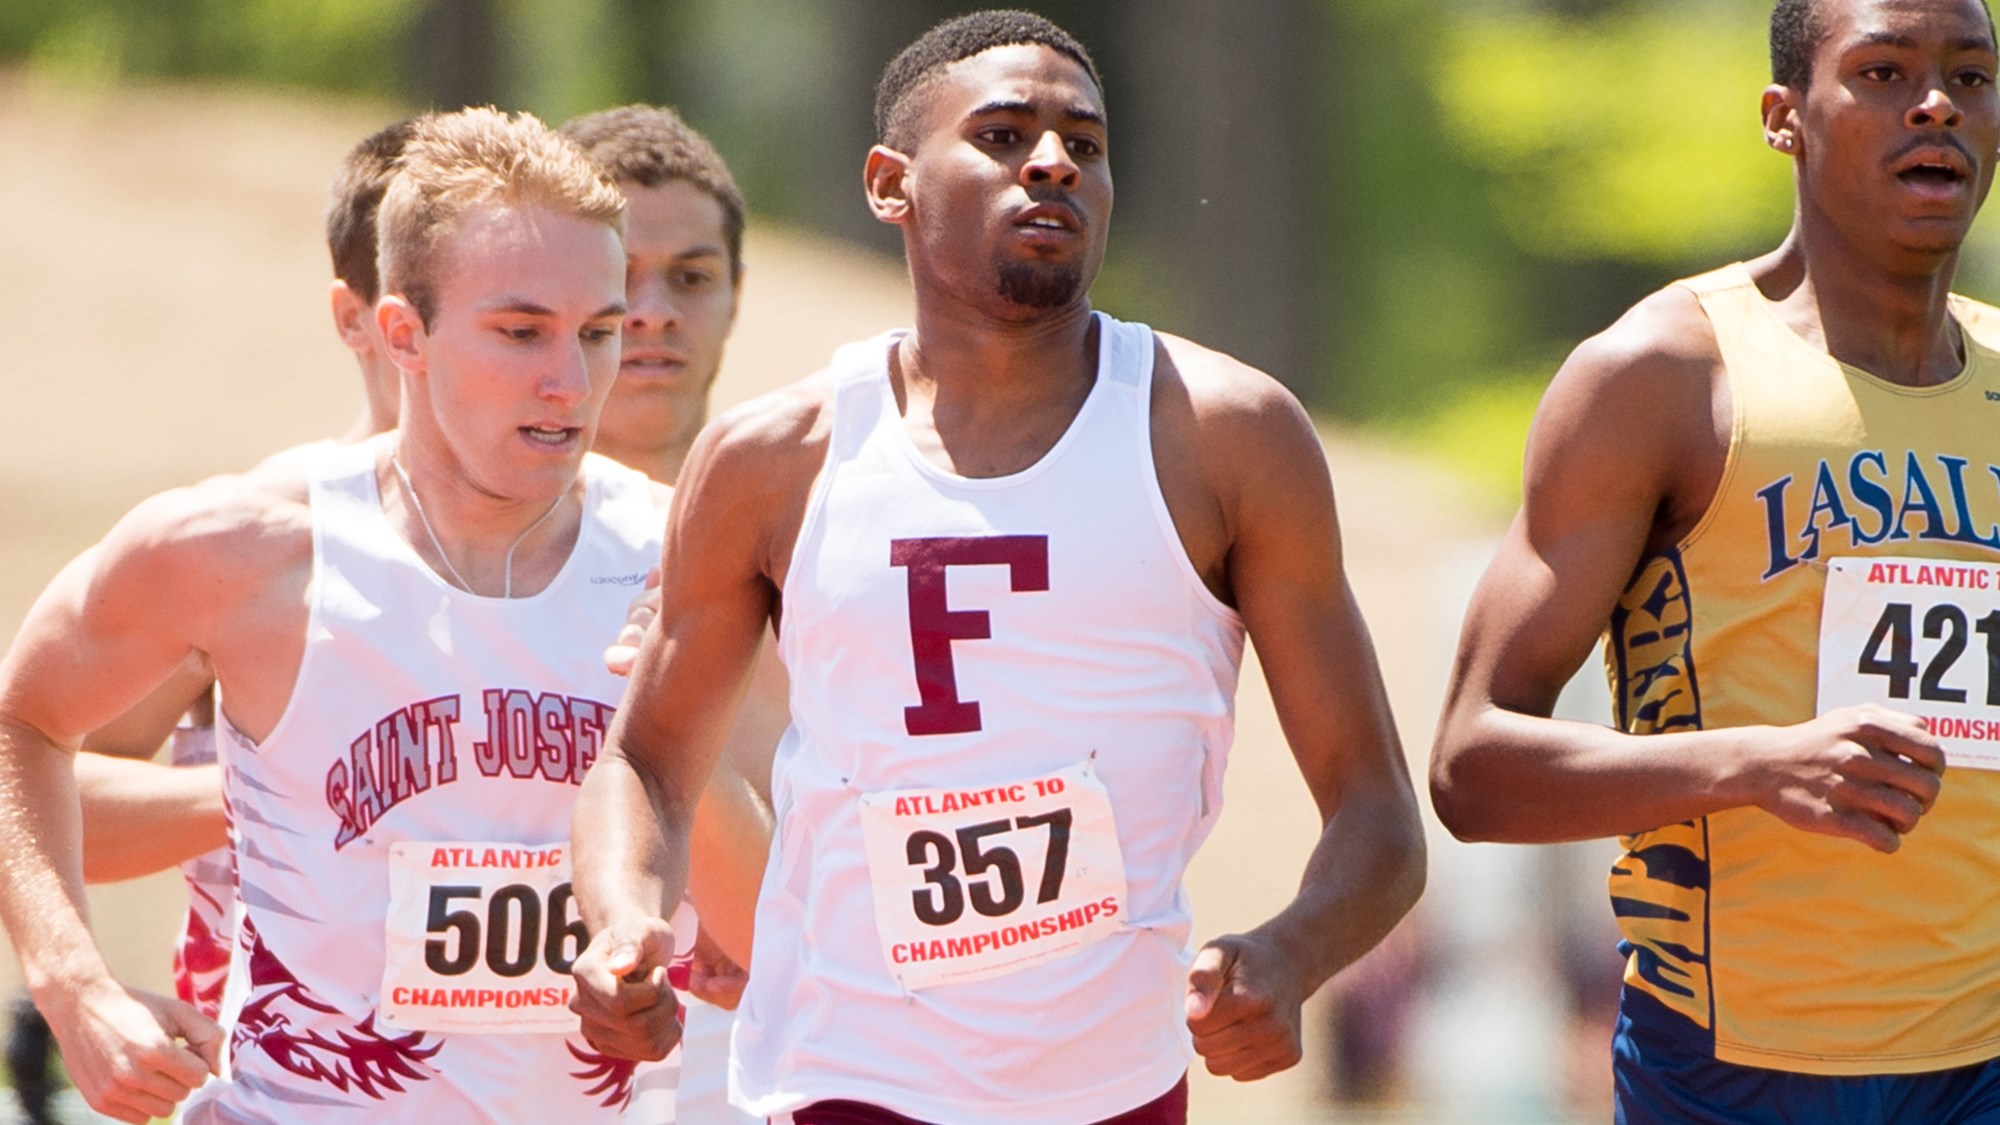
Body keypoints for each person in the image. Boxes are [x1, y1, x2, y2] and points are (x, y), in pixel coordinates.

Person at [567, 10, 1427, 1125]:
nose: (1055, 161)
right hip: (842, 1076)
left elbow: (1376, 816)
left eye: (1085, 140)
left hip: (1110, 1086)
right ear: (891, 184)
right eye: (1004, 135)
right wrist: (624, 919)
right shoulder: (772, 462)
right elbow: (644, 762)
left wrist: (1288, 952)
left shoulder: (1223, 436)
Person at [0, 106, 755, 1124]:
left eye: (598, 331)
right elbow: (22, 725)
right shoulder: (247, 550)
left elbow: (760, 939)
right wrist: (74, 986)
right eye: (521, 330)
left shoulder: (680, 556)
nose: (570, 381)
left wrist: (670, 748)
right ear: (402, 331)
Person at [1428, 0, 2000, 1120]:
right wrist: (1751, 766)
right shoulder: (1662, 376)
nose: (1934, 105)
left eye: (1968, 78)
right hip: (1731, 1068)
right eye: (1881, 73)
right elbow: (1468, 767)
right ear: (1782, 117)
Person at [559, 102, 781, 1125]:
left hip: (740, 1065)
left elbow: (820, 887)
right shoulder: (415, 546)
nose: (650, 312)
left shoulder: (808, 534)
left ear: (735, 299)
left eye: (690, 277)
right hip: (485, 1062)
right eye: (617, 277)